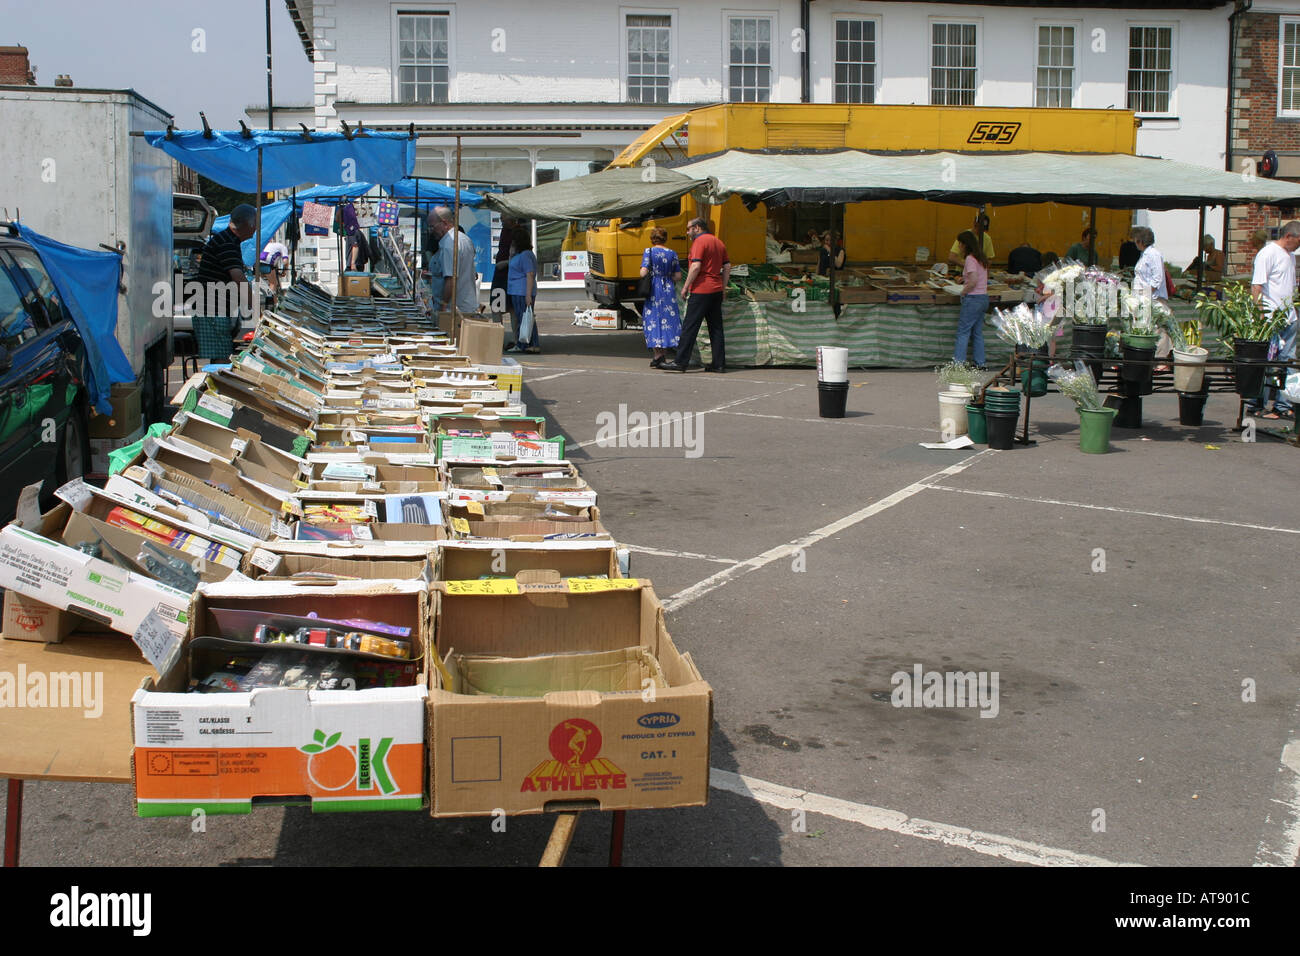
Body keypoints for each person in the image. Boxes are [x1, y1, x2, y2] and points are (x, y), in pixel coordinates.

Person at [661, 218, 730, 373]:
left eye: (688, 229)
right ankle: (719, 364)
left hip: (701, 290)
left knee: (690, 327)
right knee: (716, 328)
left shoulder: (699, 242)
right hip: (716, 290)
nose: (687, 233)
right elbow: (727, 266)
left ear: (697, 228)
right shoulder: (718, 242)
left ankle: (680, 362)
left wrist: (685, 287)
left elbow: (696, 266)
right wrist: (723, 288)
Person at [1247, 220, 1300, 419]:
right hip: (1271, 317)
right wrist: (1260, 313)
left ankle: (1282, 404)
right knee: (1267, 361)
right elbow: (1257, 286)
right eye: (1298, 241)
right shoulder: (1268, 254)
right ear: (1289, 236)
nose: (1299, 245)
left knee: (1286, 361)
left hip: (1289, 317)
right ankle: (1256, 403)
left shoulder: (1291, 256)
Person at [194, 203, 257, 363]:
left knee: (222, 356)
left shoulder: (228, 240)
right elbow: (238, 277)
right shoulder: (227, 243)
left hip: (215, 309)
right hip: (213, 311)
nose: (256, 228)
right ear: (249, 224)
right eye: (255, 224)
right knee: (221, 360)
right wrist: (255, 307)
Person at [639, 226, 682, 367]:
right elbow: (677, 276)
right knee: (668, 319)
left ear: (652, 239)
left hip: (654, 289)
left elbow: (643, 273)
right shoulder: (672, 253)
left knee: (653, 319)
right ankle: (663, 353)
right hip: (668, 289)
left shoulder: (649, 251)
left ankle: (658, 355)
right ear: (665, 238)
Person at [430, 205, 479, 315]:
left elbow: (451, 279)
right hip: (466, 304)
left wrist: (443, 305)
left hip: (454, 309)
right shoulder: (464, 239)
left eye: (433, 227)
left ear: (445, 223)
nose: (431, 231)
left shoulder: (449, 244)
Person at [951, 230, 989, 369]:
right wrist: (964, 279)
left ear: (965, 245)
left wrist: (963, 291)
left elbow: (973, 281)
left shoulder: (969, 259)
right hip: (983, 297)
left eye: (960, 244)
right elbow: (977, 277)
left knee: (963, 331)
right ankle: (981, 362)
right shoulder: (981, 258)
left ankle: (958, 363)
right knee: (977, 332)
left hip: (973, 298)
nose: (959, 247)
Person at [506, 227, 539, 354]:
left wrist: (528, 295)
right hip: (518, 290)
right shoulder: (522, 254)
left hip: (522, 291)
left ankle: (527, 344)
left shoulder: (525, 255)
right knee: (525, 318)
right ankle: (529, 344)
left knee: (525, 319)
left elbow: (530, 274)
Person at [491, 215, 519, 325]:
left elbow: (521, 255)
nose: (501, 219)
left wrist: (506, 263)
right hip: (500, 275)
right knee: (496, 306)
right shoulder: (504, 230)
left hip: (511, 275)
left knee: (512, 308)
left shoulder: (518, 232)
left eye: (503, 217)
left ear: (510, 218)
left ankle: (514, 339)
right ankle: (498, 337)